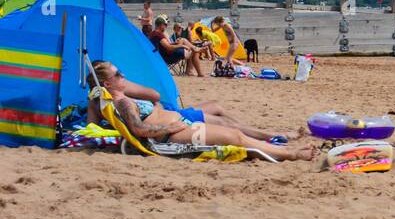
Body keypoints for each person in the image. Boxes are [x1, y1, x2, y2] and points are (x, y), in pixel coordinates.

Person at [89, 61, 316, 160]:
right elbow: (138, 129)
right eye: (118, 75)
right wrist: (169, 126)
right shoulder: (123, 102)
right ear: (107, 84)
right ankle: (291, 155)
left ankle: (282, 148)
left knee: (236, 135)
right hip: (172, 134)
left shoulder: (118, 98)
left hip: (177, 127)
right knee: (235, 137)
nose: (123, 76)